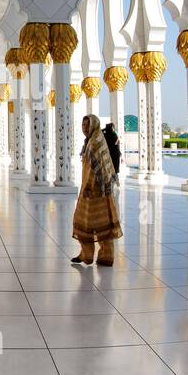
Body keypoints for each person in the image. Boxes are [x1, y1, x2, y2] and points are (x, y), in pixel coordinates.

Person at [72, 114, 122, 266]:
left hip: (94, 190)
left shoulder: (94, 142)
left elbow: (96, 170)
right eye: (83, 125)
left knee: (88, 222)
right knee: (98, 223)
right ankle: (93, 255)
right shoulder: (93, 139)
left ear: (93, 125)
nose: (84, 128)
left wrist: (87, 186)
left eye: (87, 125)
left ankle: (97, 256)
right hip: (97, 190)